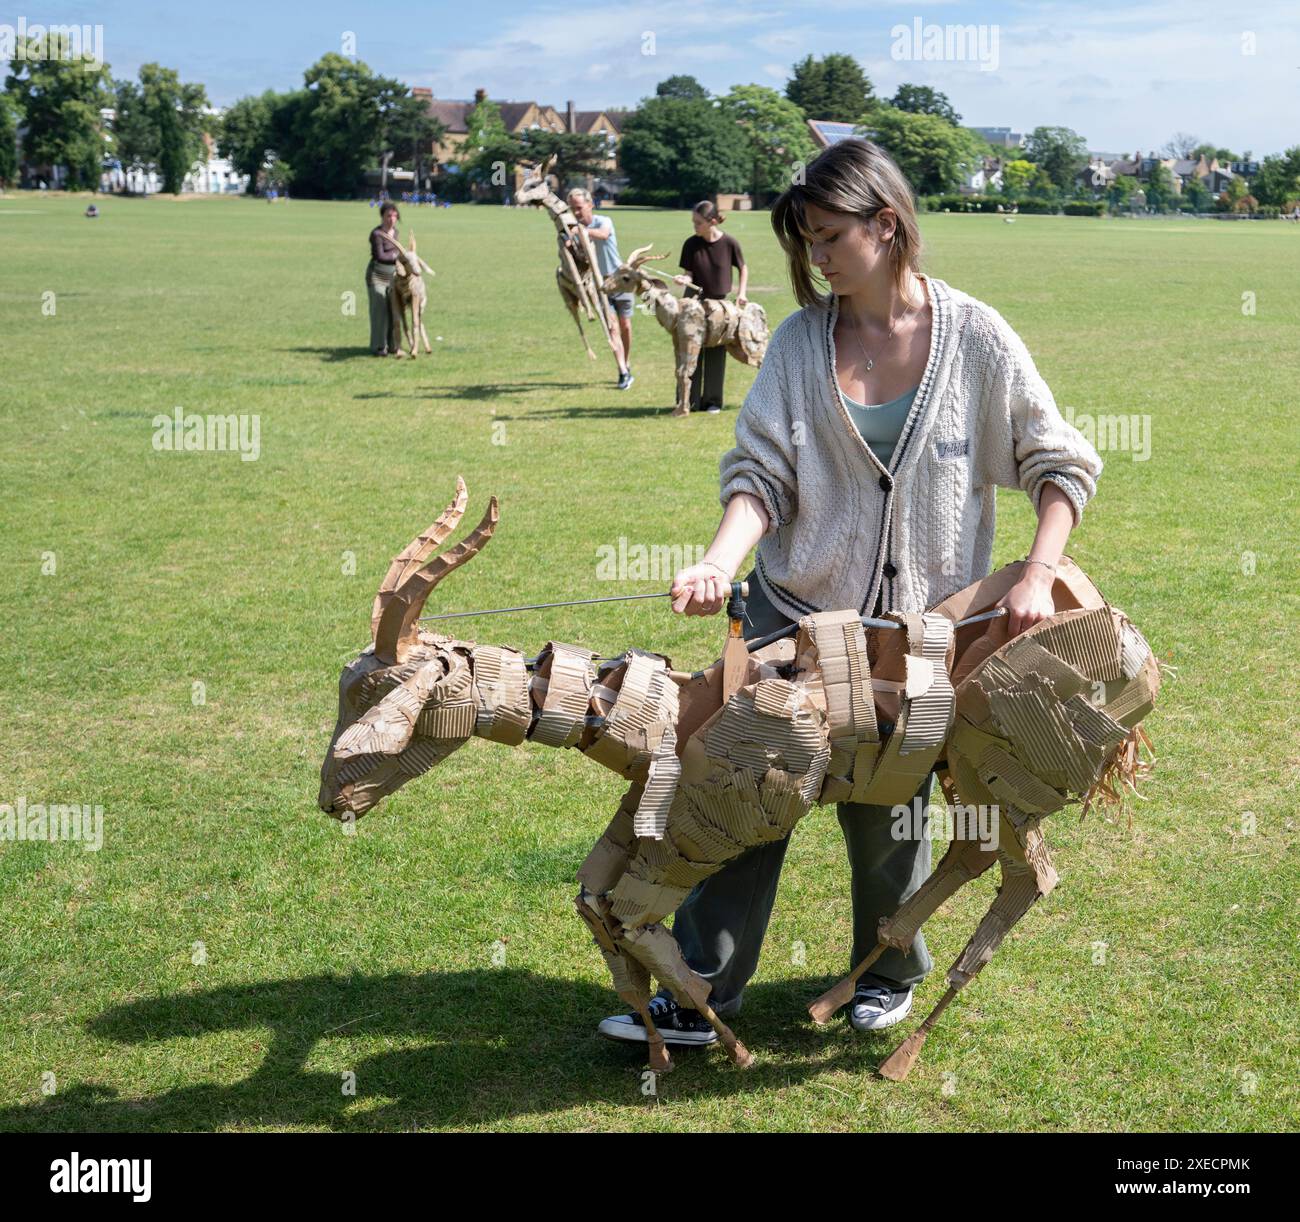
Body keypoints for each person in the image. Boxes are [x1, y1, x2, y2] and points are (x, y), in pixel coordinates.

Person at [597, 137, 1103, 1049]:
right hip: (788, 619)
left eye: (830, 237)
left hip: (917, 645)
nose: (816, 259)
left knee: (888, 819)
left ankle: (887, 970)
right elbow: (761, 475)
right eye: (804, 242)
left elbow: (1057, 458)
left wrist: (1036, 572)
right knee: (740, 799)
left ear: (888, 223)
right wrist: (719, 559)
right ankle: (701, 990)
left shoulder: (977, 337)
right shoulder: (797, 344)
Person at [674, 201, 749, 413]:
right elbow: (688, 273)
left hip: (719, 306)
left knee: (716, 352)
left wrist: (741, 293)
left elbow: (743, 268)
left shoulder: (729, 243)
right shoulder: (691, 244)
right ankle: (688, 400)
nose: (694, 226)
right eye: (693, 222)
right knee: (690, 352)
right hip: (694, 304)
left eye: (698, 223)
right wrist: (683, 279)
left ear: (712, 222)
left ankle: (713, 402)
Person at [566, 187, 633, 390]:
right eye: (572, 208)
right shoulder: (573, 229)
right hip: (600, 285)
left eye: (578, 207)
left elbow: (603, 235)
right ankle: (622, 370)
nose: (576, 212)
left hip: (621, 279)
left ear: (590, 204)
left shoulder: (604, 221)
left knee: (625, 327)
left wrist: (581, 231)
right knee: (612, 328)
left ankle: (627, 362)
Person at [367, 202, 403, 357]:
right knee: (379, 308)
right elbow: (380, 256)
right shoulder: (376, 234)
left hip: (393, 276)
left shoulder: (396, 233)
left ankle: (394, 345)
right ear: (382, 216)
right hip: (377, 275)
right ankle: (379, 346)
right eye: (388, 215)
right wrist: (398, 256)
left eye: (394, 216)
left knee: (394, 309)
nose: (392, 219)